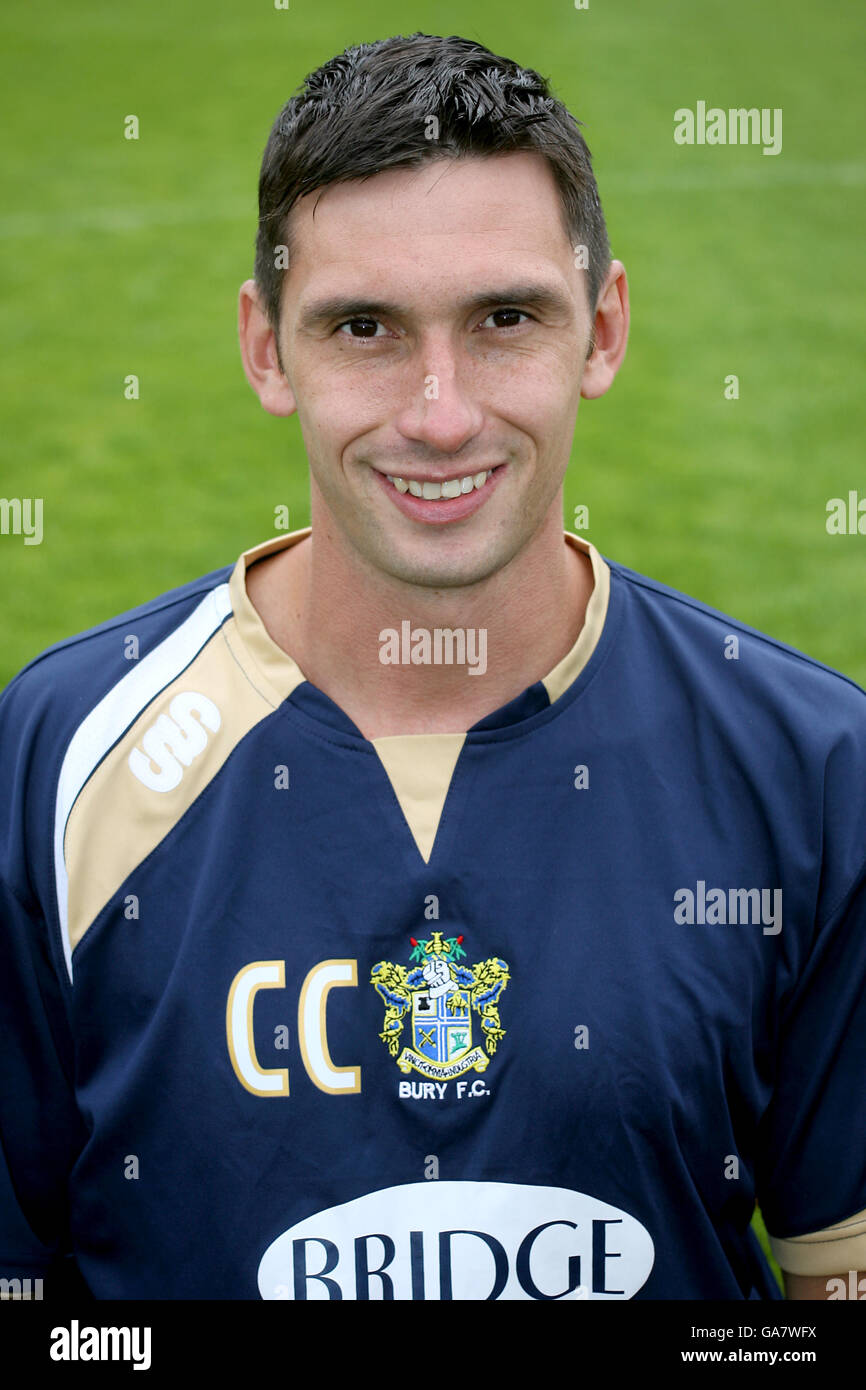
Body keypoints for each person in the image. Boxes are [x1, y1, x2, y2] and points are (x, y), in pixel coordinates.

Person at [1, 31, 864, 1303]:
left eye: (504, 318)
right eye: (362, 327)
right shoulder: (61, 755)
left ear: (603, 328)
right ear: (263, 349)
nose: (440, 412)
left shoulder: (808, 767)